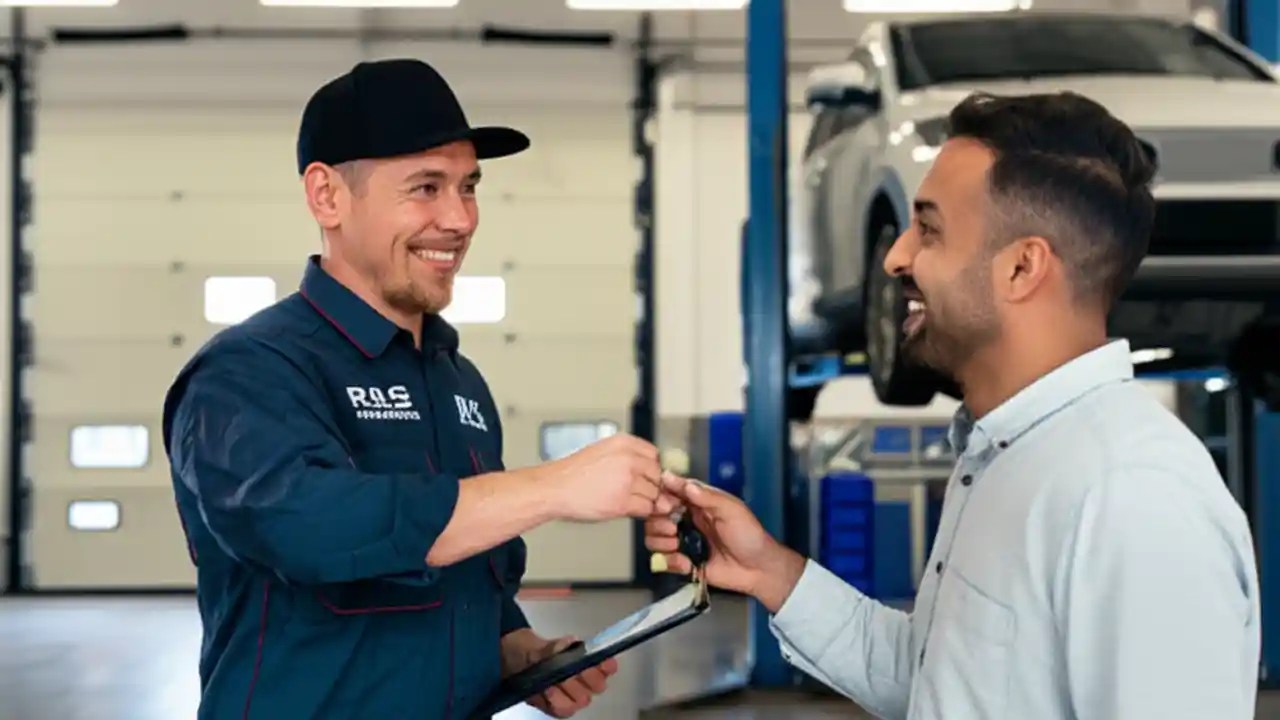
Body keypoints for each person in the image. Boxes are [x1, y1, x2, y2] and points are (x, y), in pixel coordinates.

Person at [646, 91, 1261, 719]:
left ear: (1022, 268)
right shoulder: (1007, 455)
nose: (895, 256)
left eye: (929, 231)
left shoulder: (1130, 494)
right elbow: (935, 679)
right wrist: (769, 572)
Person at [162, 58, 674, 720]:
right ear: (327, 196)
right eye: (426, 187)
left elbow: (469, 577)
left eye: (469, 187)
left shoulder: (457, 381)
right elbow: (308, 527)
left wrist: (515, 649)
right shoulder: (249, 371)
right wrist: (553, 487)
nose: (460, 219)